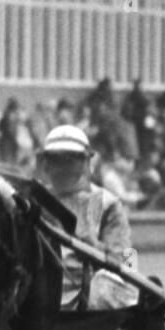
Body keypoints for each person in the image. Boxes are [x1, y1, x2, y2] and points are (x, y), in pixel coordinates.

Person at [34, 124, 138, 310]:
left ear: (86, 162)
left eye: (70, 160)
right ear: (46, 163)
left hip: (89, 294)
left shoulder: (109, 203)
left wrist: (93, 245)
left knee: (109, 284)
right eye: (57, 160)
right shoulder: (31, 199)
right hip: (38, 292)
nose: (63, 167)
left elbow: (127, 259)